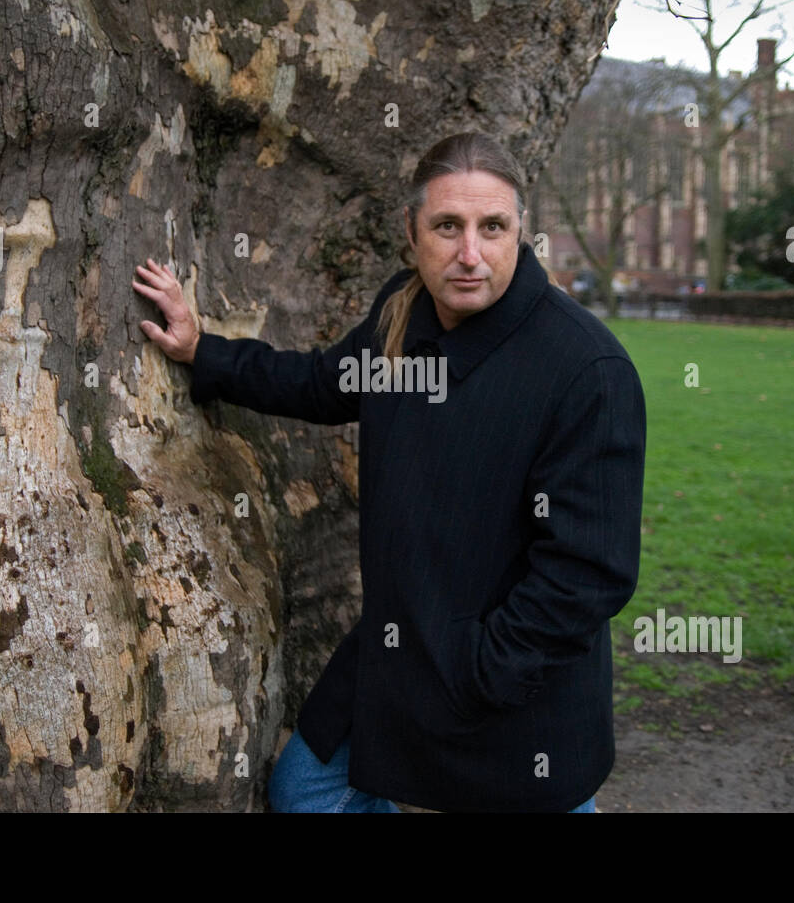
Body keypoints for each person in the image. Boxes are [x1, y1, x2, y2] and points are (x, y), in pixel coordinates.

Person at [132, 131, 646, 813]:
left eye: (493, 227)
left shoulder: (587, 371)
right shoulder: (399, 317)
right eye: (446, 227)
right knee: (306, 792)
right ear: (411, 233)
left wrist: (479, 674)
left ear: (522, 234)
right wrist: (204, 352)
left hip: (517, 694)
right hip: (402, 649)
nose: (470, 254)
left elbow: (587, 574)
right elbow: (321, 382)